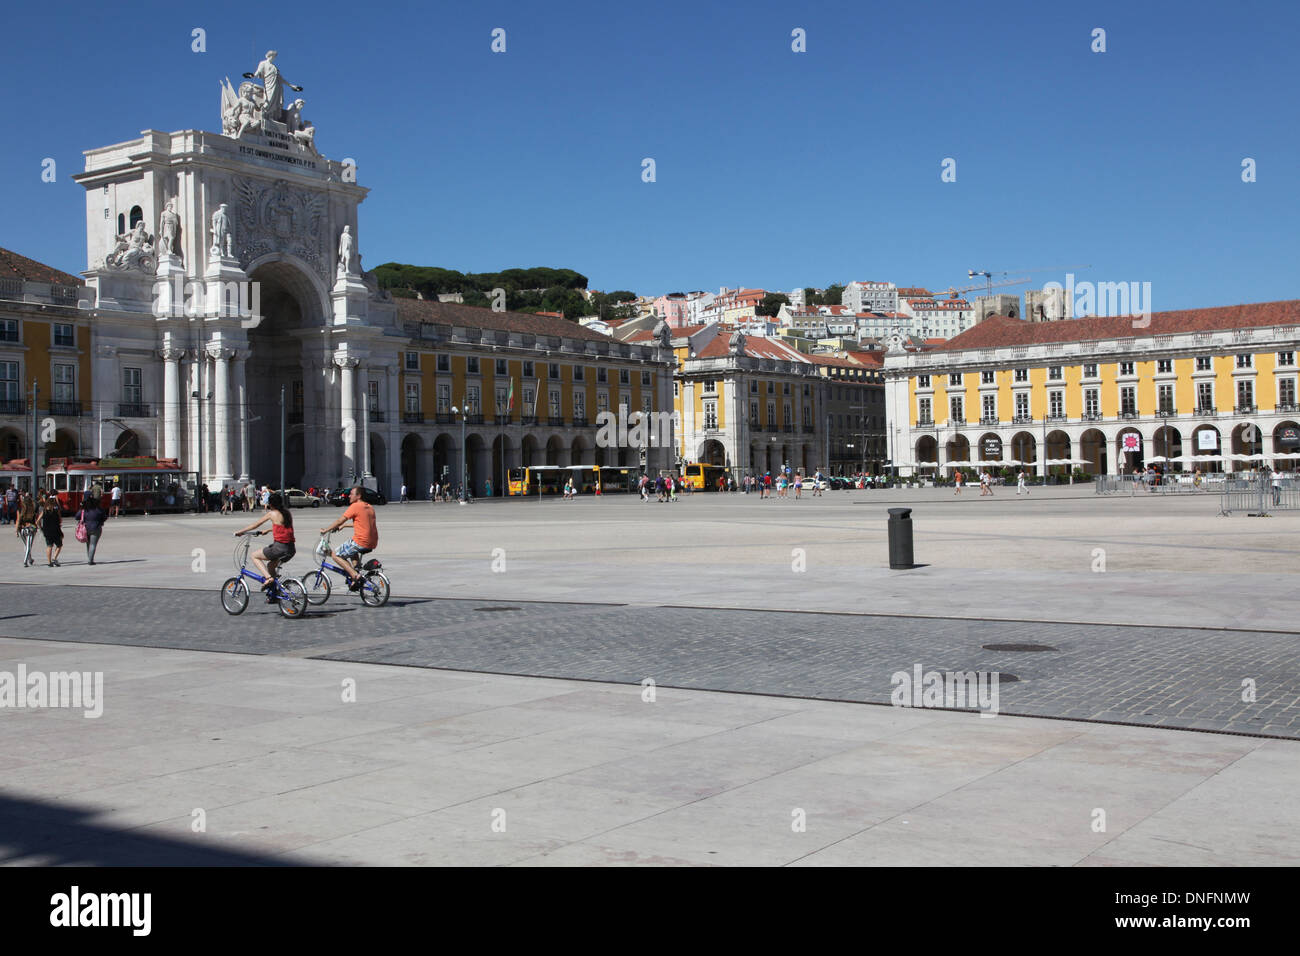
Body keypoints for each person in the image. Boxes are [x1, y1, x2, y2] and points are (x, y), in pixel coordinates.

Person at [234, 492, 296, 600]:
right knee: (271, 566)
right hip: (290, 549)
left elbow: (255, 524)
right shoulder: (287, 513)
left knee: (254, 555)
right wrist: (268, 530)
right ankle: (275, 592)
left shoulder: (272, 513)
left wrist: (240, 532)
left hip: (279, 548)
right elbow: (284, 527)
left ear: (271, 504)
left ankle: (268, 578)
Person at [319, 486, 378, 591]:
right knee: (351, 549)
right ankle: (356, 570)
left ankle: (355, 575)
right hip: (372, 541)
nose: (349, 495)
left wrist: (326, 530)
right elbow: (363, 524)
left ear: (358, 496)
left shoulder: (355, 506)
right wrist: (345, 526)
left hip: (361, 541)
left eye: (351, 493)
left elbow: (339, 521)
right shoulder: (369, 507)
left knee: (336, 554)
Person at [77, 495, 108, 565]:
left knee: (88, 544)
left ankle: (90, 558)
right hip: (96, 528)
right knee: (93, 544)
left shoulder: (84, 509)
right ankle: (90, 560)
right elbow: (105, 517)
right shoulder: (99, 509)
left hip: (85, 528)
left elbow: (77, 516)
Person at [37, 494, 64, 567]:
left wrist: (41, 527)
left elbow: (37, 521)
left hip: (47, 531)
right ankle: (54, 558)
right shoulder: (56, 511)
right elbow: (60, 521)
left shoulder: (44, 511)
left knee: (49, 546)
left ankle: (49, 562)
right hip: (56, 531)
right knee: (59, 545)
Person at [16, 493, 37, 567]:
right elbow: (35, 522)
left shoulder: (21, 510)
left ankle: (30, 559)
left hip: (22, 530)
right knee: (28, 546)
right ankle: (25, 561)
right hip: (30, 530)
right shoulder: (32, 511)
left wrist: (16, 530)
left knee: (26, 545)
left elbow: (18, 520)